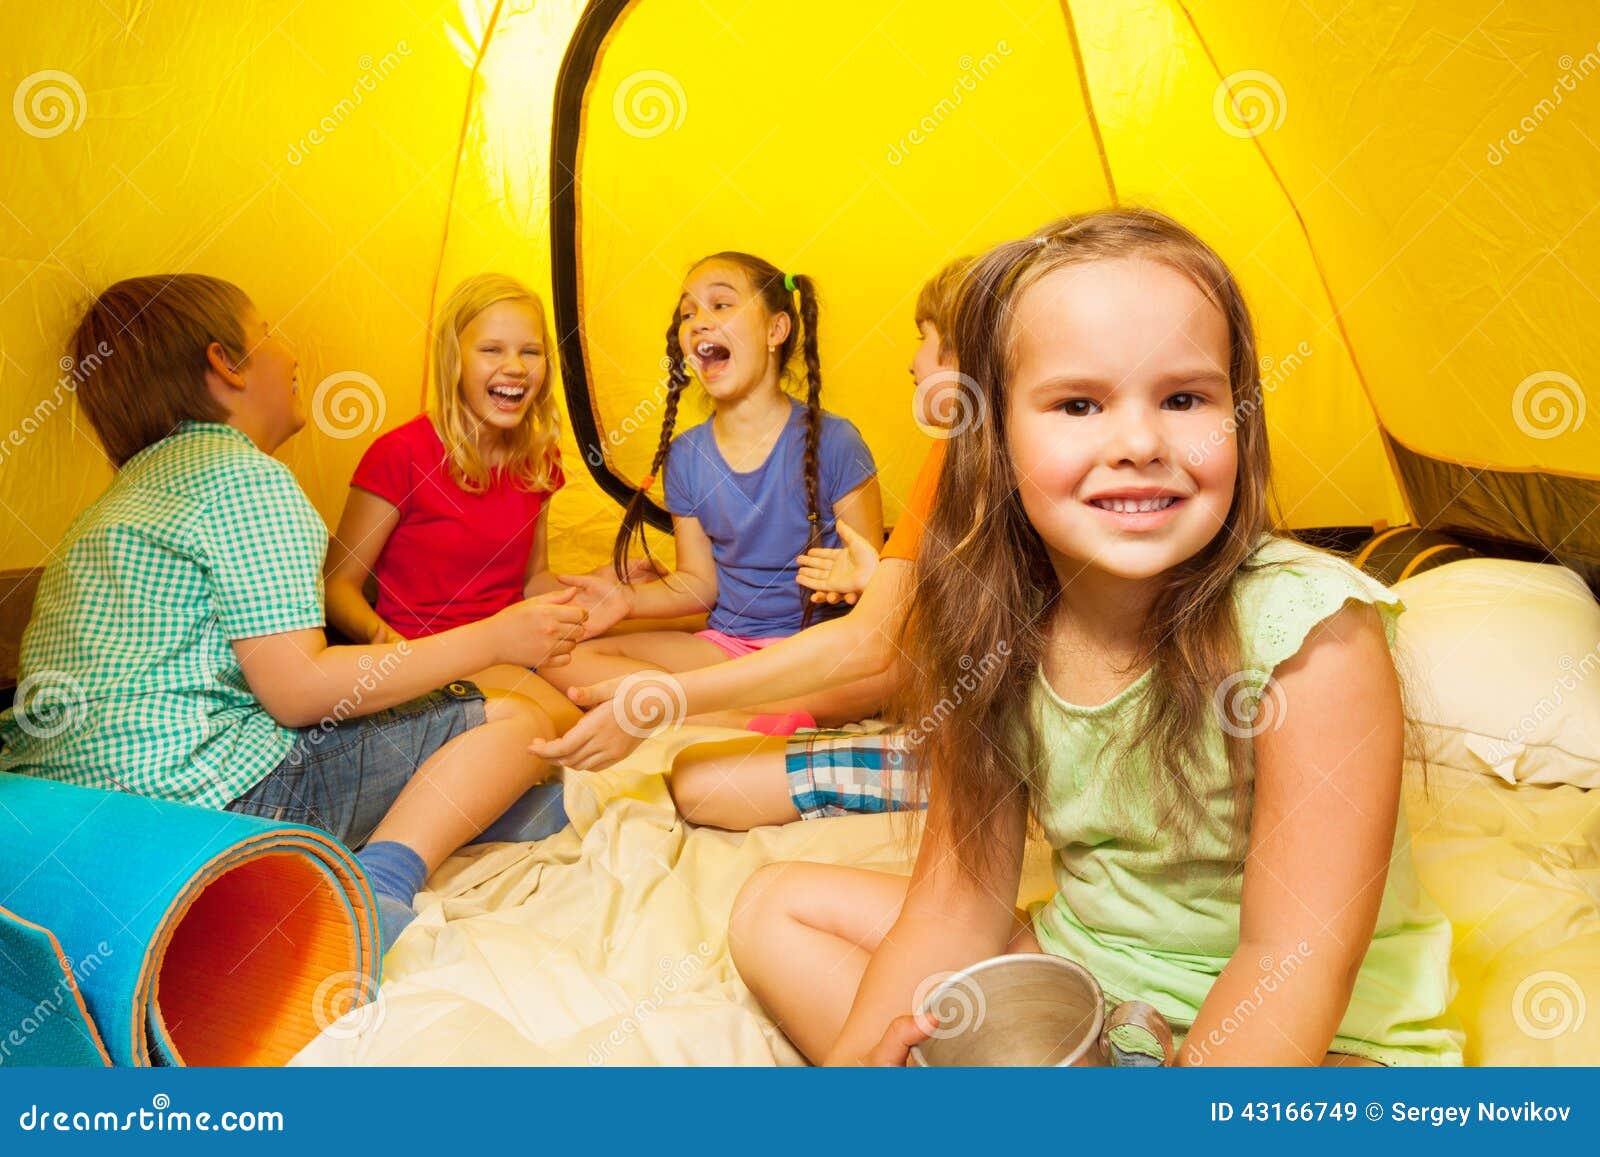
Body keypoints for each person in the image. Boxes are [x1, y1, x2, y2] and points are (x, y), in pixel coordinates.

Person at [726, 209, 1463, 1066]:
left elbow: (1293, 959)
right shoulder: (996, 628)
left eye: (1185, 398)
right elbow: (953, 907)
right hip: (1090, 989)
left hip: (1309, 1037)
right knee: (772, 908)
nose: (1141, 443)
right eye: (1079, 404)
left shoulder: (1312, 635)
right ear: (995, 440)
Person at [0, 275, 585, 950]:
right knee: (515, 718)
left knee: (452, 727)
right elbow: (299, 691)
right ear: (227, 364)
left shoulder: (115, 501)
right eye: (270, 330)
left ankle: (466, 809)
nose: (291, 350)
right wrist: (491, 638)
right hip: (202, 811)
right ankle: (379, 882)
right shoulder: (248, 480)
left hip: (63, 812)